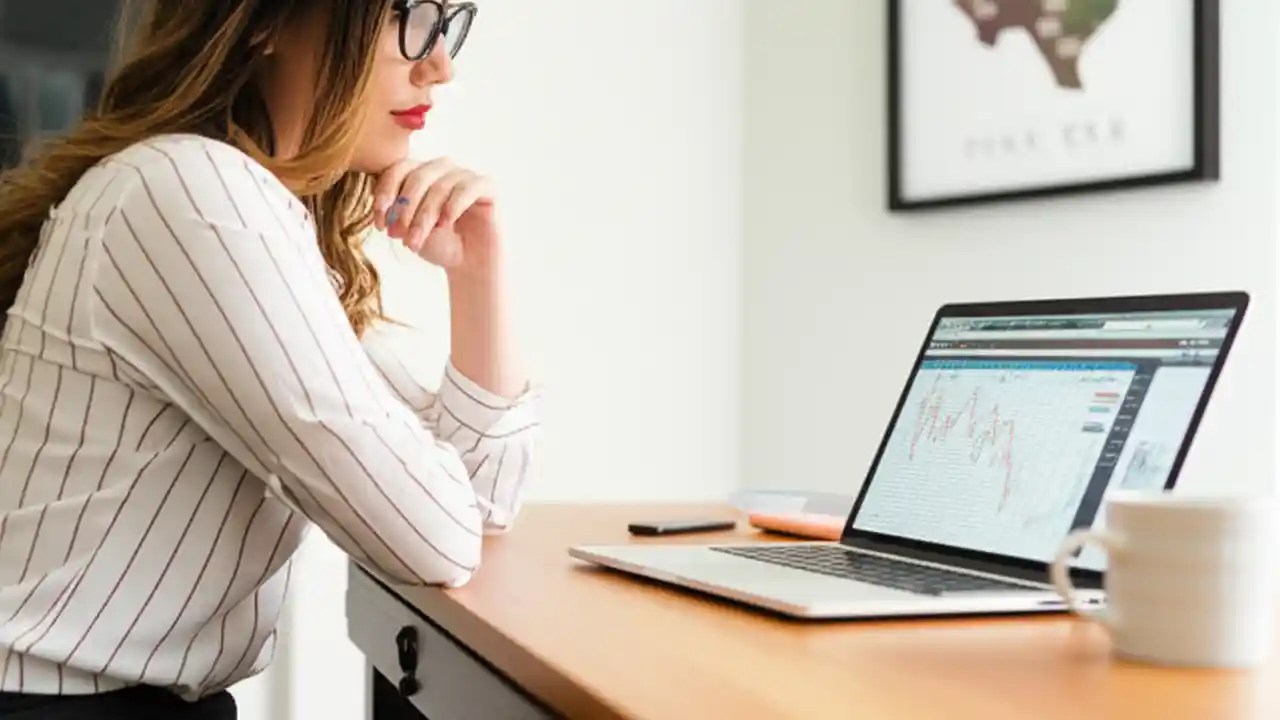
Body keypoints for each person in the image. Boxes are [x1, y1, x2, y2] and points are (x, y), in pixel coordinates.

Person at [0, 1, 538, 717]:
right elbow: (433, 538)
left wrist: (479, 272)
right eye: (408, 17)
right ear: (265, 21)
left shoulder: (247, 211)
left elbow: (481, 509)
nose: (439, 64)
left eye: (448, 23)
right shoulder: (193, 194)